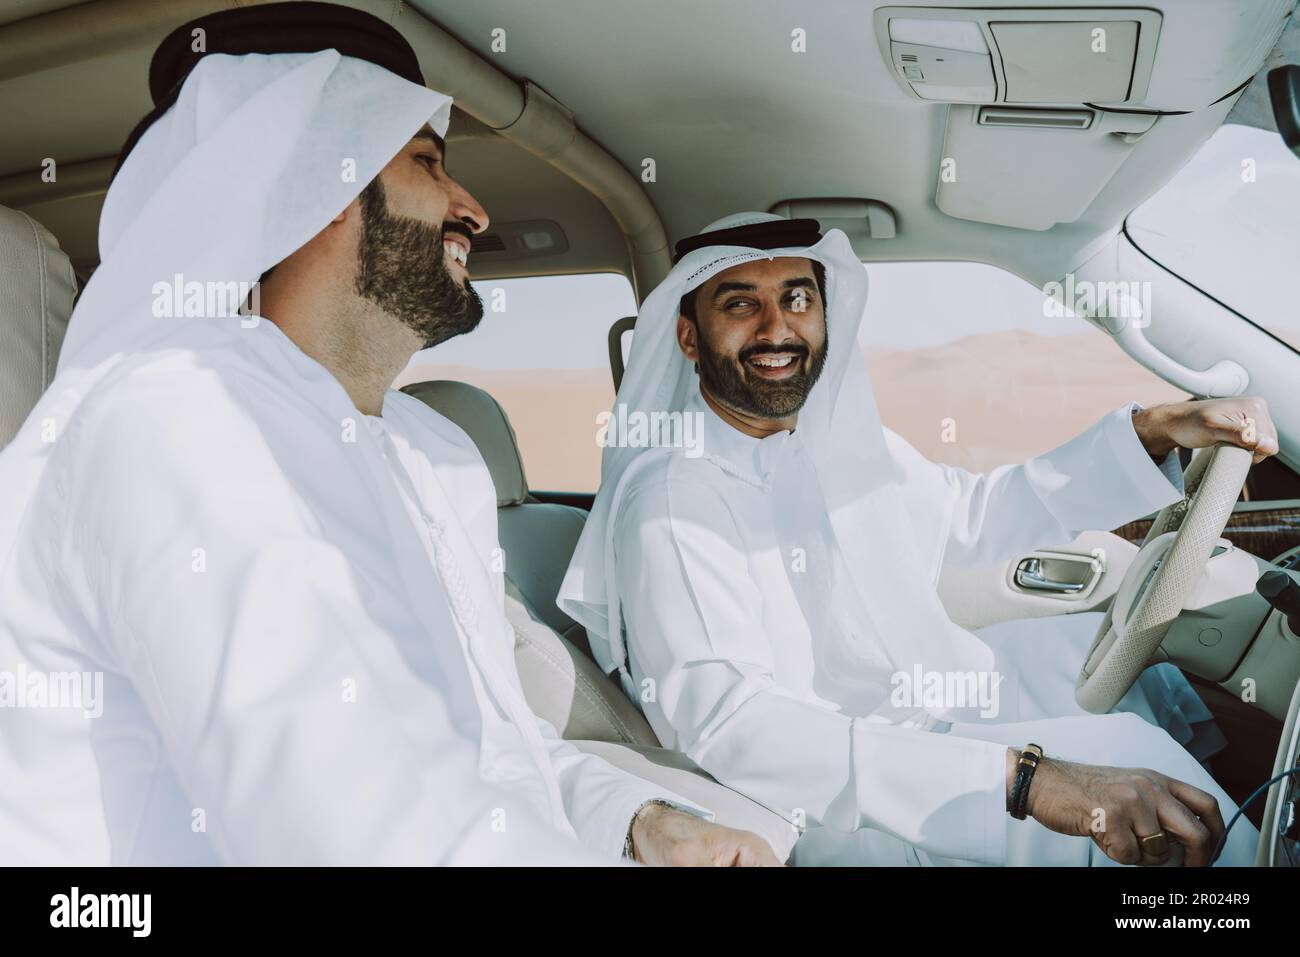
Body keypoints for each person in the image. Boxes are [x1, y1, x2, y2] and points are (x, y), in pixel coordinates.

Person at [0, 5, 777, 867]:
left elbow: (491, 752)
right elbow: (355, 825)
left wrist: (640, 822)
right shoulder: (180, 416)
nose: (473, 210)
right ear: (318, 181)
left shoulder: (431, 453)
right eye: (426, 164)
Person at [559, 211, 1272, 866]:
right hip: (825, 811)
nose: (777, 327)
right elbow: (734, 726)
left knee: (1103, 686)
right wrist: (1027, 780)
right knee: (1135, 766)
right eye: (741, 304)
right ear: (690, 336)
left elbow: (974, 515)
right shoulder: (674, 496)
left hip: (899, 735)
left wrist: (1151, 431)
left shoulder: (824, 446)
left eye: (798, 299)